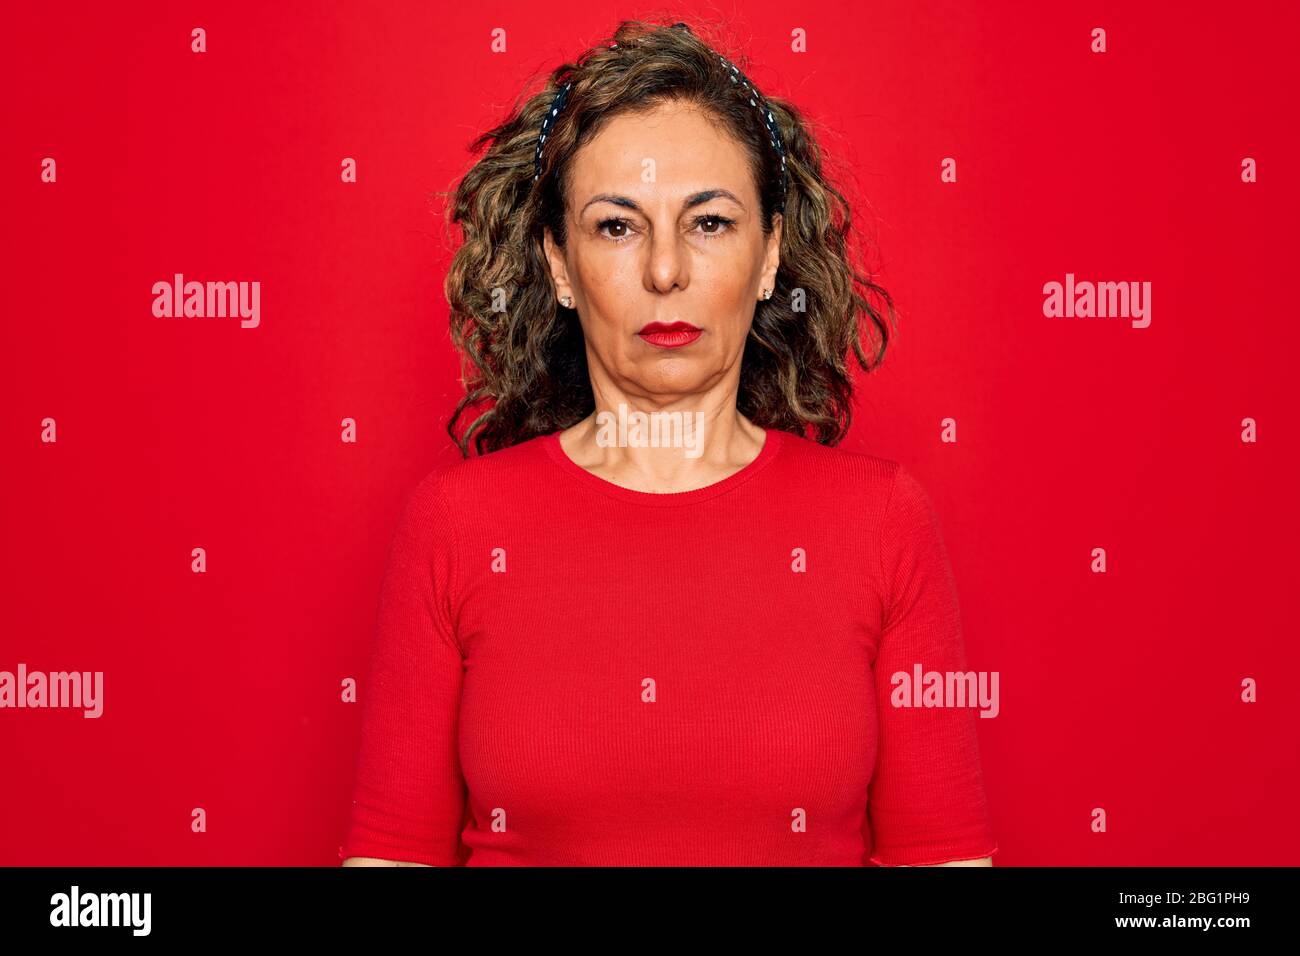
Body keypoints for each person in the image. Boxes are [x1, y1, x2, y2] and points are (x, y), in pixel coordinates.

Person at [340, 19, 996, 867]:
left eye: (710, 223)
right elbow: (393, 858)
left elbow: (941, 860)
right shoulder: (456, 524)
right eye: (617, 226)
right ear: (561, 265)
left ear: (770, 257)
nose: (664, 272)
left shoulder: (882, 521)